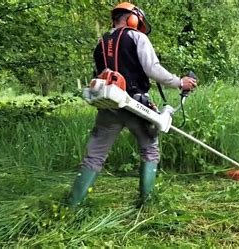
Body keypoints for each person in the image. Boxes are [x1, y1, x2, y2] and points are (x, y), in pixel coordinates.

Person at [67, 2, 197, 208]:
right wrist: (179, 82)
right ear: (132, 18)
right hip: (134, 105)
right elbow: (152, 69)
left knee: (94, 156)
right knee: (149, 149)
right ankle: (147, 203)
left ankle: (72, 207)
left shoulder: (100, 43)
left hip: (107, 104)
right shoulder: (137, 37)